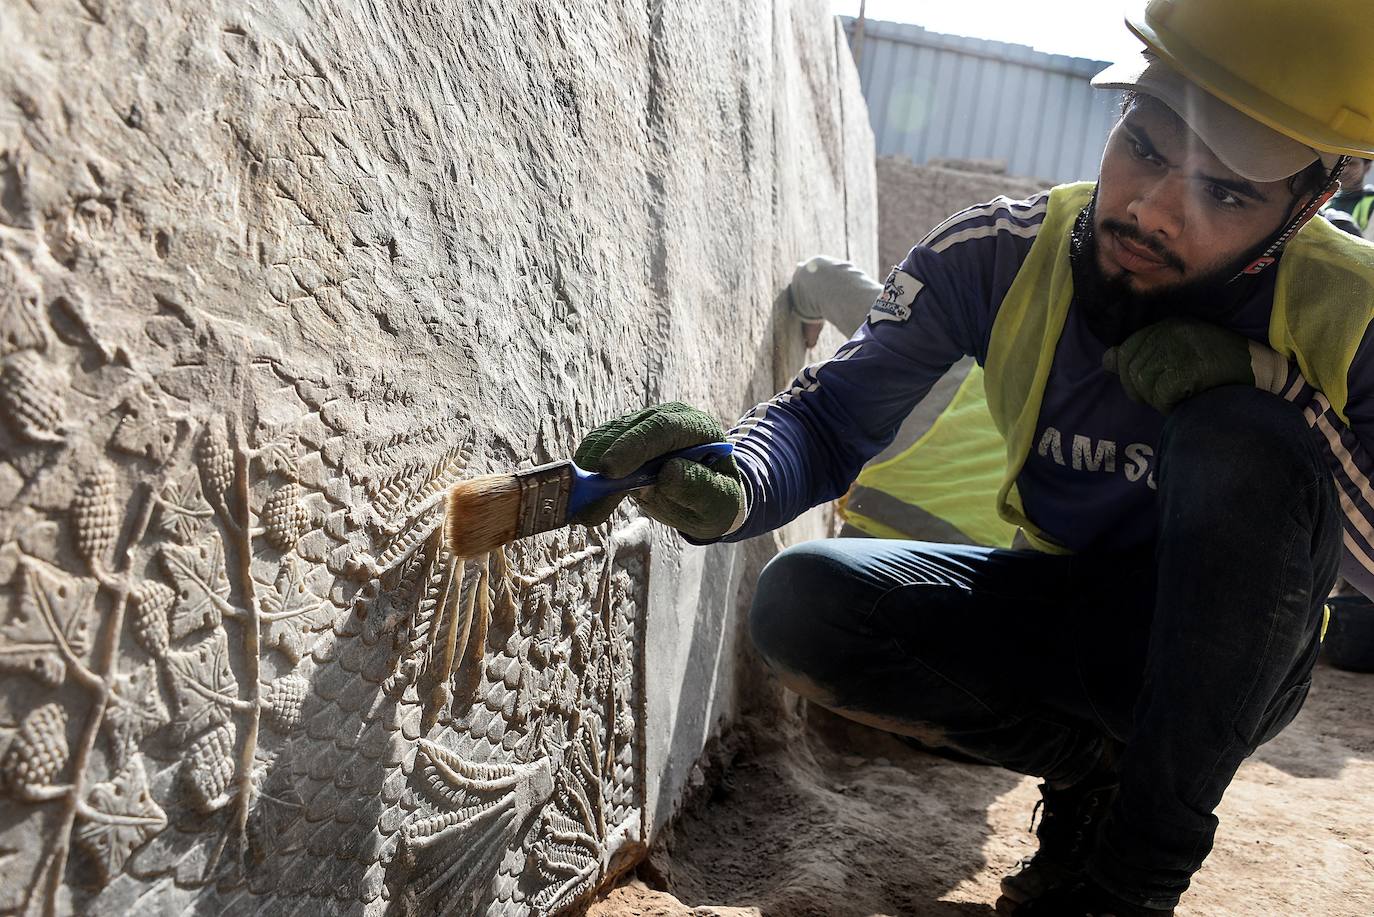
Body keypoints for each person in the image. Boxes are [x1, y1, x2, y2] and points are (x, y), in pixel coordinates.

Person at [572, 1, 1374, 914]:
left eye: (1227, 193)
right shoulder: (997, 255)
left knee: (1243, 437)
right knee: (805, 603)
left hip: (1241, 664)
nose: (1153, 209)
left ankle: (1128, 880)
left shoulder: (1351, 312)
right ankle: (1103, 777)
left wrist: (1278, 389)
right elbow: (832, 421)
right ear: (1118, 116)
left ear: (1307, 205)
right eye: (1145, 148)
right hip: (1065, 611)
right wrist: (739, 476)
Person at [1321, 156, 1374, 236]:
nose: (1345, 170)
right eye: (1341, 163)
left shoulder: (1371, 203)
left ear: (1367, 167)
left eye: (1352, 164)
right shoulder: (1323, 204)